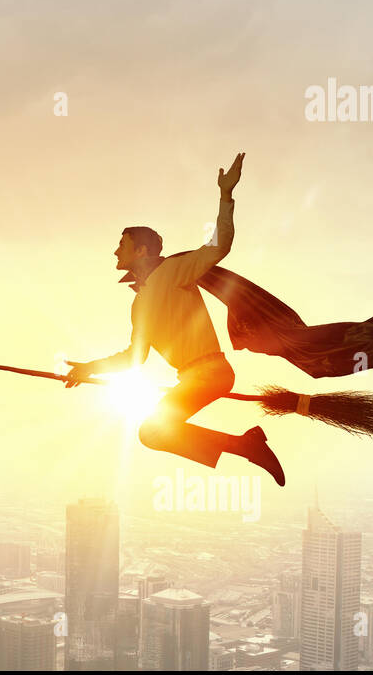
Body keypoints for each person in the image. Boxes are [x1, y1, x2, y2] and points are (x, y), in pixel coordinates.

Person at [63, 153, 286, 485]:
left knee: (152, 432)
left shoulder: (173, 271)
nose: (115, 251)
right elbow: (134, 358)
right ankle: (245, 444)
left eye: (122, 244)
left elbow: (218, 246)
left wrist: (226, 196)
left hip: (210, 372)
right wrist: (89, 368)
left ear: (142, 251)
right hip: (194, 377)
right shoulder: (139, 304)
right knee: (152, 434)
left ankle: (247, 444)